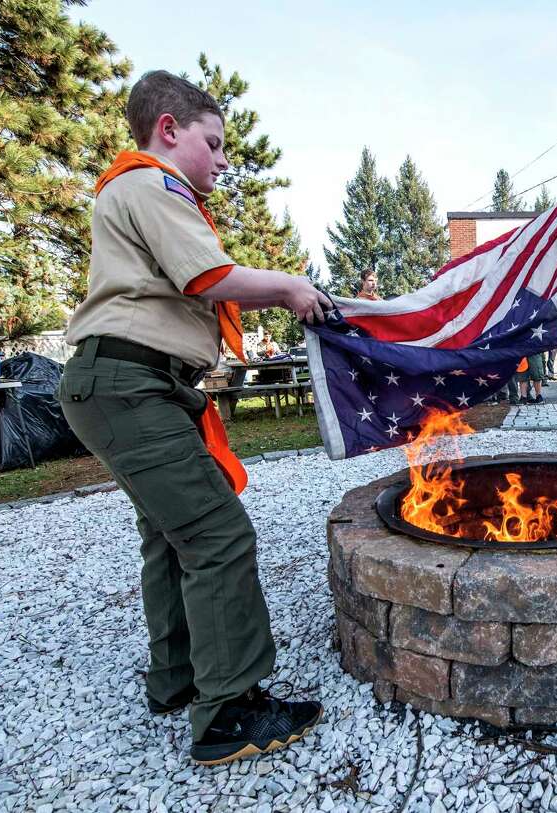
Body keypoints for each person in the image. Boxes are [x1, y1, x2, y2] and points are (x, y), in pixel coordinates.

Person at [59, 70, 329, 765]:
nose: (224, 159)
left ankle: (178, 679)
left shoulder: (142, 189)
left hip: (135, 383)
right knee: (218, 533)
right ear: (169, 130)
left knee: (171, 534)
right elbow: (208, 276)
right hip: (131, 383)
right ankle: (228, 710)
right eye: (214, 142)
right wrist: (293, 288)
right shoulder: (150, 182)